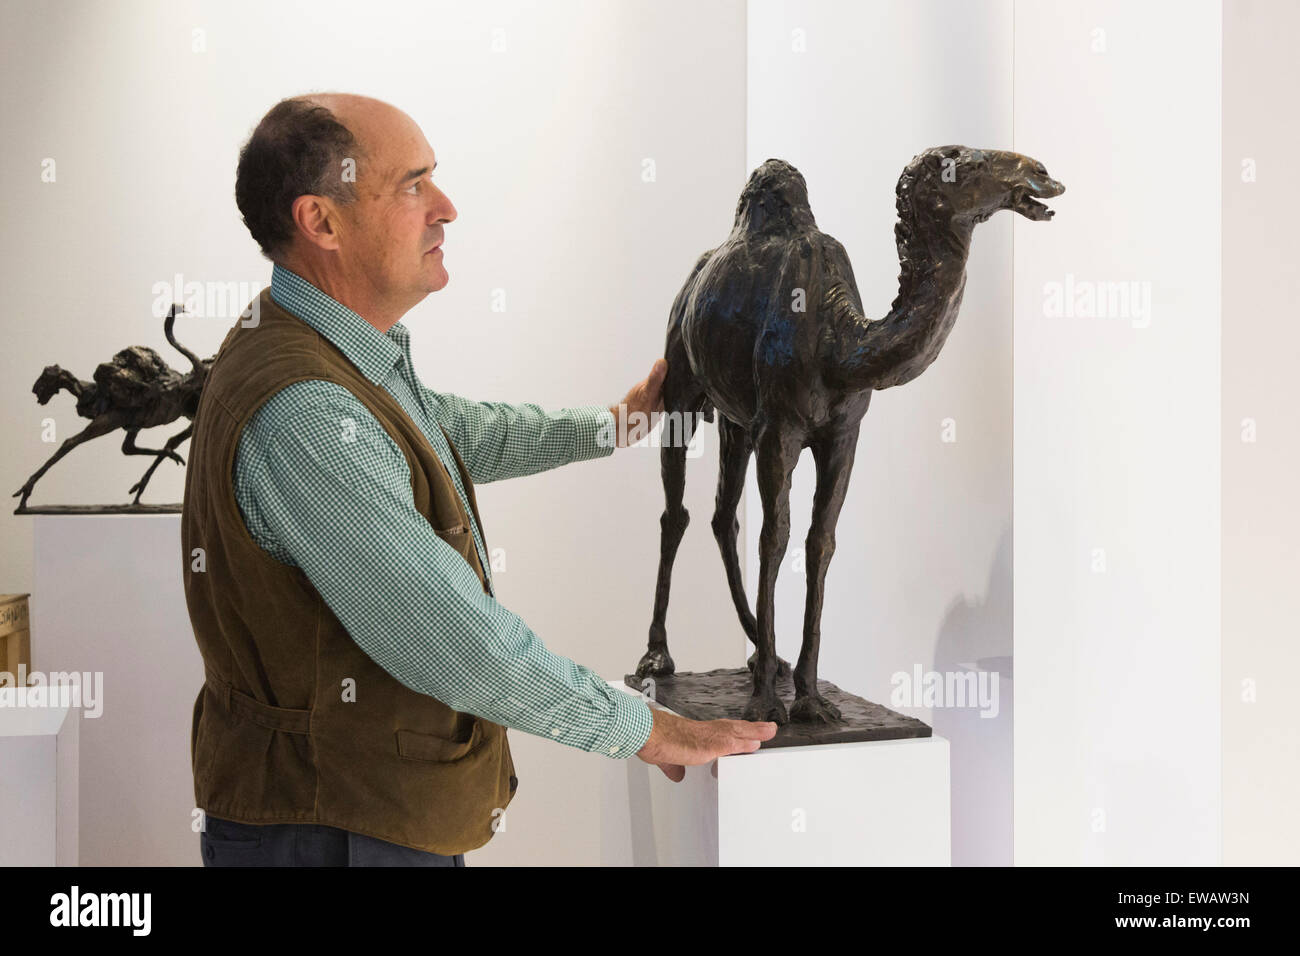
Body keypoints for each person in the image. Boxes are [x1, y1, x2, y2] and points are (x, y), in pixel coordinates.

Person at [182, 92, 775, 868]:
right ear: (320, 222)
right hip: (334, 830)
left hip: (362, 816)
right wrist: (645, 728)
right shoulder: (307, 412)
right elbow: (454, 641)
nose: (447, 208)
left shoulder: (322, 346)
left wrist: (614, 424)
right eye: (413, 185)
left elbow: (449, 433)